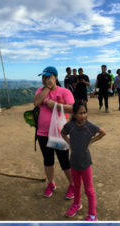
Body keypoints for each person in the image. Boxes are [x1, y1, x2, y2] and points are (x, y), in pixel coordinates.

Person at [33, 66, 75, 198]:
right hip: (42, 133)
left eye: (48, 77)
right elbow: (36, 102)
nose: (45, 79)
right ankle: (51, 183)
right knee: (48, 160)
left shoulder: (65, 91)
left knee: (64, 161)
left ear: (55, 77)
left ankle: (73, 185)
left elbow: (72, 109)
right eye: (43, 77)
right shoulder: (40, 90)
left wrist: (55, 105)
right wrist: (47, 88)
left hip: (59, 134)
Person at [61, 103, 106, 221]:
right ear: (74, 114)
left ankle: (92, 215)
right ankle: (76, 204)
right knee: (76, 186)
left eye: (85, 112)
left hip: (85, 163)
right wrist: (69, 143)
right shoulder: (70, 126)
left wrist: (91, 141)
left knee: (89, 190)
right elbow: (62, 133)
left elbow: (103, 132)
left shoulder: (89, 126)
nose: (83, 115)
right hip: (74, 162)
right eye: (80, 113)